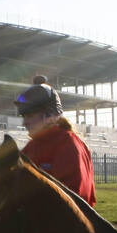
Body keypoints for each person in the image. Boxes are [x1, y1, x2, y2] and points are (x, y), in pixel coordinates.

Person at [16, 76, 96, 205]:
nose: (25, 122)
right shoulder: (33, 145)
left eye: (30, 115)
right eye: (24, 116)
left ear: (49, 116)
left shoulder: (69, 145)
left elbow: (72, 201)